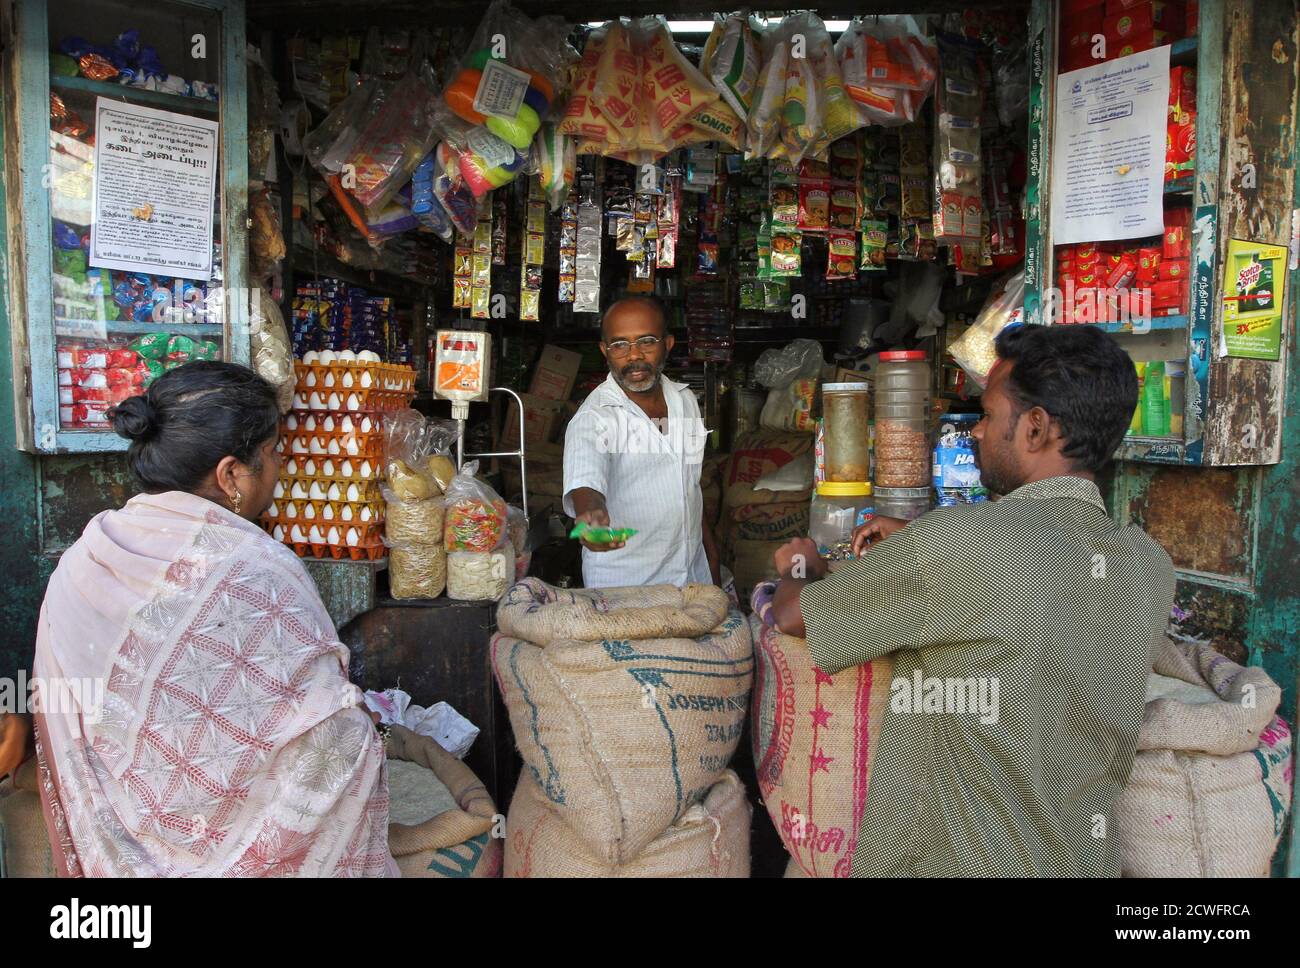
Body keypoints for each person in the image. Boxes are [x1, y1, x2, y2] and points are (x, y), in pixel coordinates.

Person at [769, 324, 1175, 877]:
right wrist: (915, 547)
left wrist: (803, 568)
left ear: (1035, 428)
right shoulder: (1149, 568)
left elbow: (797, 617)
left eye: (986, 415)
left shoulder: (956, 546)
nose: (977, 433)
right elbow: (1032, 601)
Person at [29, 361, 397, 877]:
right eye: (270, 453)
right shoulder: (255, 566)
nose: (279, 466)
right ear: (231, 476)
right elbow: (329, 737)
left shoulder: (87, 553)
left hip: (119, 837)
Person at [563, 295, 720, 588]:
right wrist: (590, 517)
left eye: (646, 341)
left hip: (692, 579)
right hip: (627, 587)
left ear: (667, 344)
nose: (633, 356)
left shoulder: (684, 400)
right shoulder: (595, 417)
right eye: (620, 345)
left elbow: (689, 491)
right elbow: (585, 484)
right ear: (605, 351)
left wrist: (713, 569)